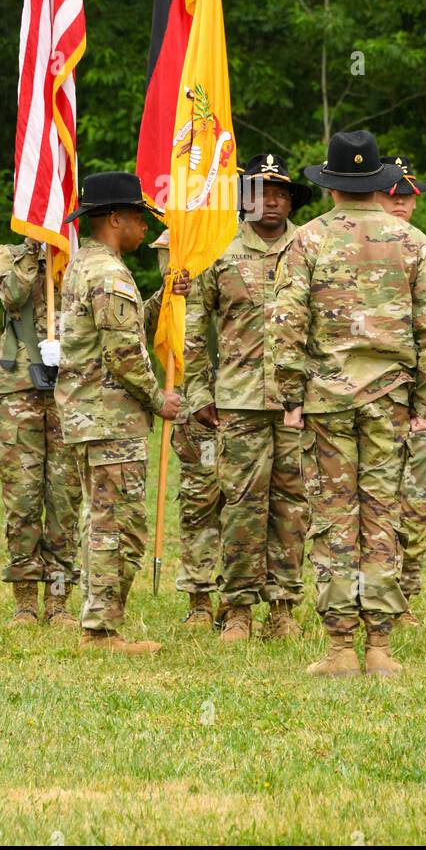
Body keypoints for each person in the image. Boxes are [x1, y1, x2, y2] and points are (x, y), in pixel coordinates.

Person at [271, 131, 426, 678]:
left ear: (329, 186)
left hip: (325, 400)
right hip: (392, 399)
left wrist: (289, 396)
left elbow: (285, 324)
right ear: (378, 183)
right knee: (382, 516)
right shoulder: (413, 241)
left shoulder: (305, 242)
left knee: (332, 517)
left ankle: (340, 648)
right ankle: (380, 647)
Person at [55, 172, 185, 654]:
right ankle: (101, 631)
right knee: (119, 525)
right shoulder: (109, 275)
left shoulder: (86, 265)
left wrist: (163, 296)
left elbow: (119, 330)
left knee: (99, 519)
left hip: (90, 416)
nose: (146, 231)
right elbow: (124, 355)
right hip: (111, 419)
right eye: (138, 219)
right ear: (114, 219)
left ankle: (95, 616)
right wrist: (159, 399)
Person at [185, 153, 313, 644]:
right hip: (237, 401)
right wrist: (199, 391)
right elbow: (197, 327)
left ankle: (283, 607)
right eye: (261, 191)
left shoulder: (309, 248)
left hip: (296, 403)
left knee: (292, 504)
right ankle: (237, 607)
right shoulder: (218, 253)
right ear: (244, 200)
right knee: (240, 503)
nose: (273, 201)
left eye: (281, 192)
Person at [0, 238, 82, 628]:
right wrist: (33, 251)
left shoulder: (79, 258)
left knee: (65, 500)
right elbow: (12, 295)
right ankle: (25, 601)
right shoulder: (5, 256)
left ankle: (58, 601)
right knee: (22, 500)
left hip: (70, 389)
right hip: (17, 393)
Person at [375, 155, 426, 625]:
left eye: (408, 194)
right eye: (392, 193)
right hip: (371, 398)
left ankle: (405, 597)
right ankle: (372, 593)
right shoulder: (352, 249)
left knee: (416, 502)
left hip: (419, 402)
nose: (401, 202)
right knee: (373, 501)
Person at [149, 230, 221, 628]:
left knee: (250, 505)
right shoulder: (186, 231)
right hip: (196, 400)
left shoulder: (247, 241)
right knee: (200, 501)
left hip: (249, 399)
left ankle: (239, 599)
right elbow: (171, 296)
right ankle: (199, 598)